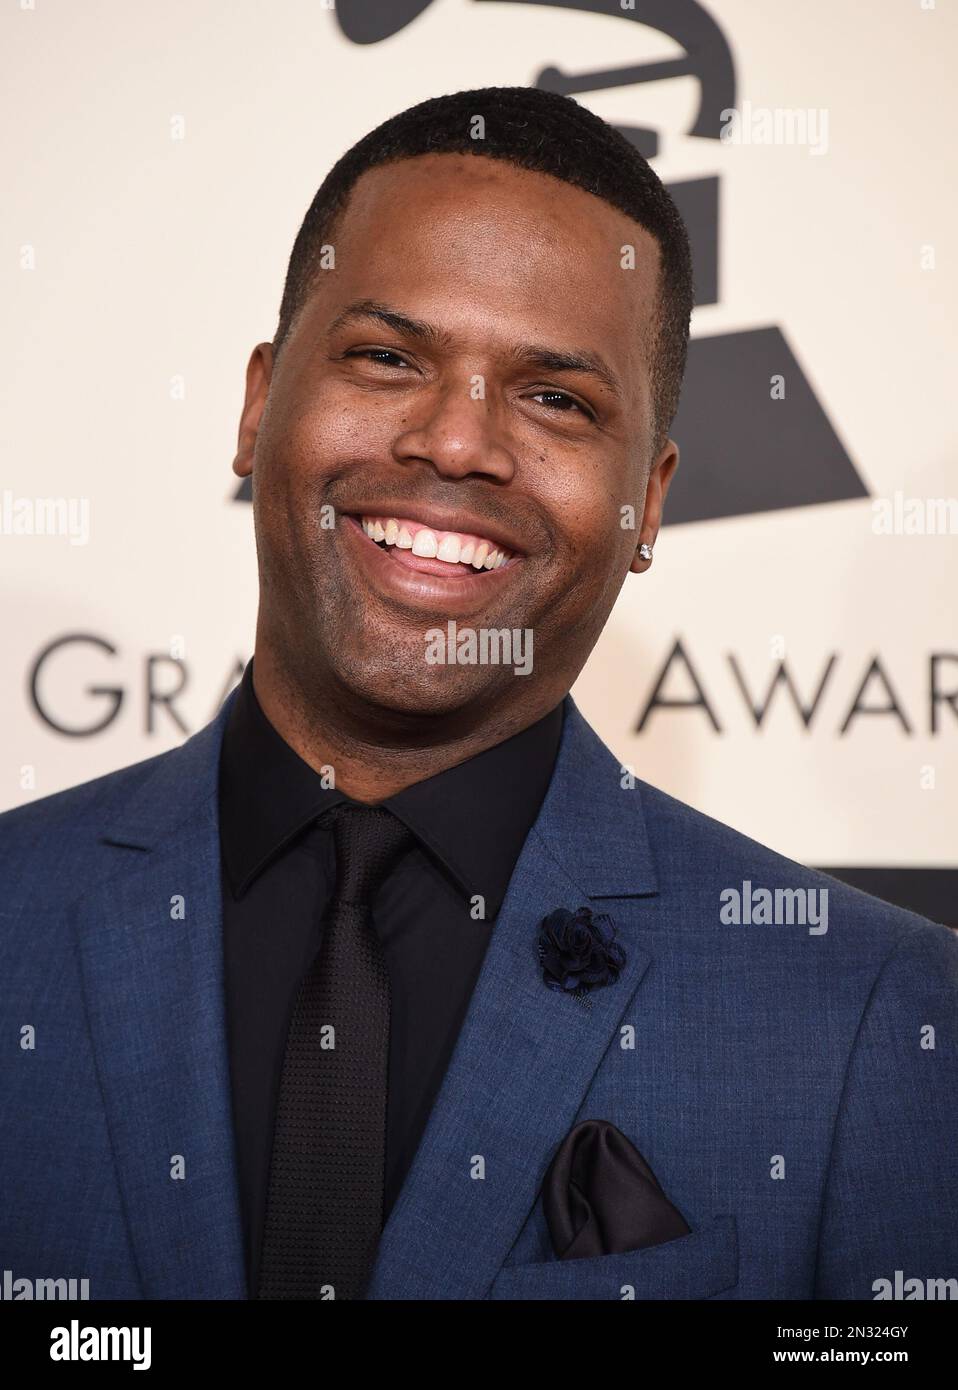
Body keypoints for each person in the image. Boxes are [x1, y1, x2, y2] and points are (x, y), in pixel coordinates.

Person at [1, 87, 955, 1302]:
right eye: (388, 357)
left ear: (647, 502)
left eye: (555, 398)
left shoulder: (878, 1015)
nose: (457, 445)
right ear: (256, 405)